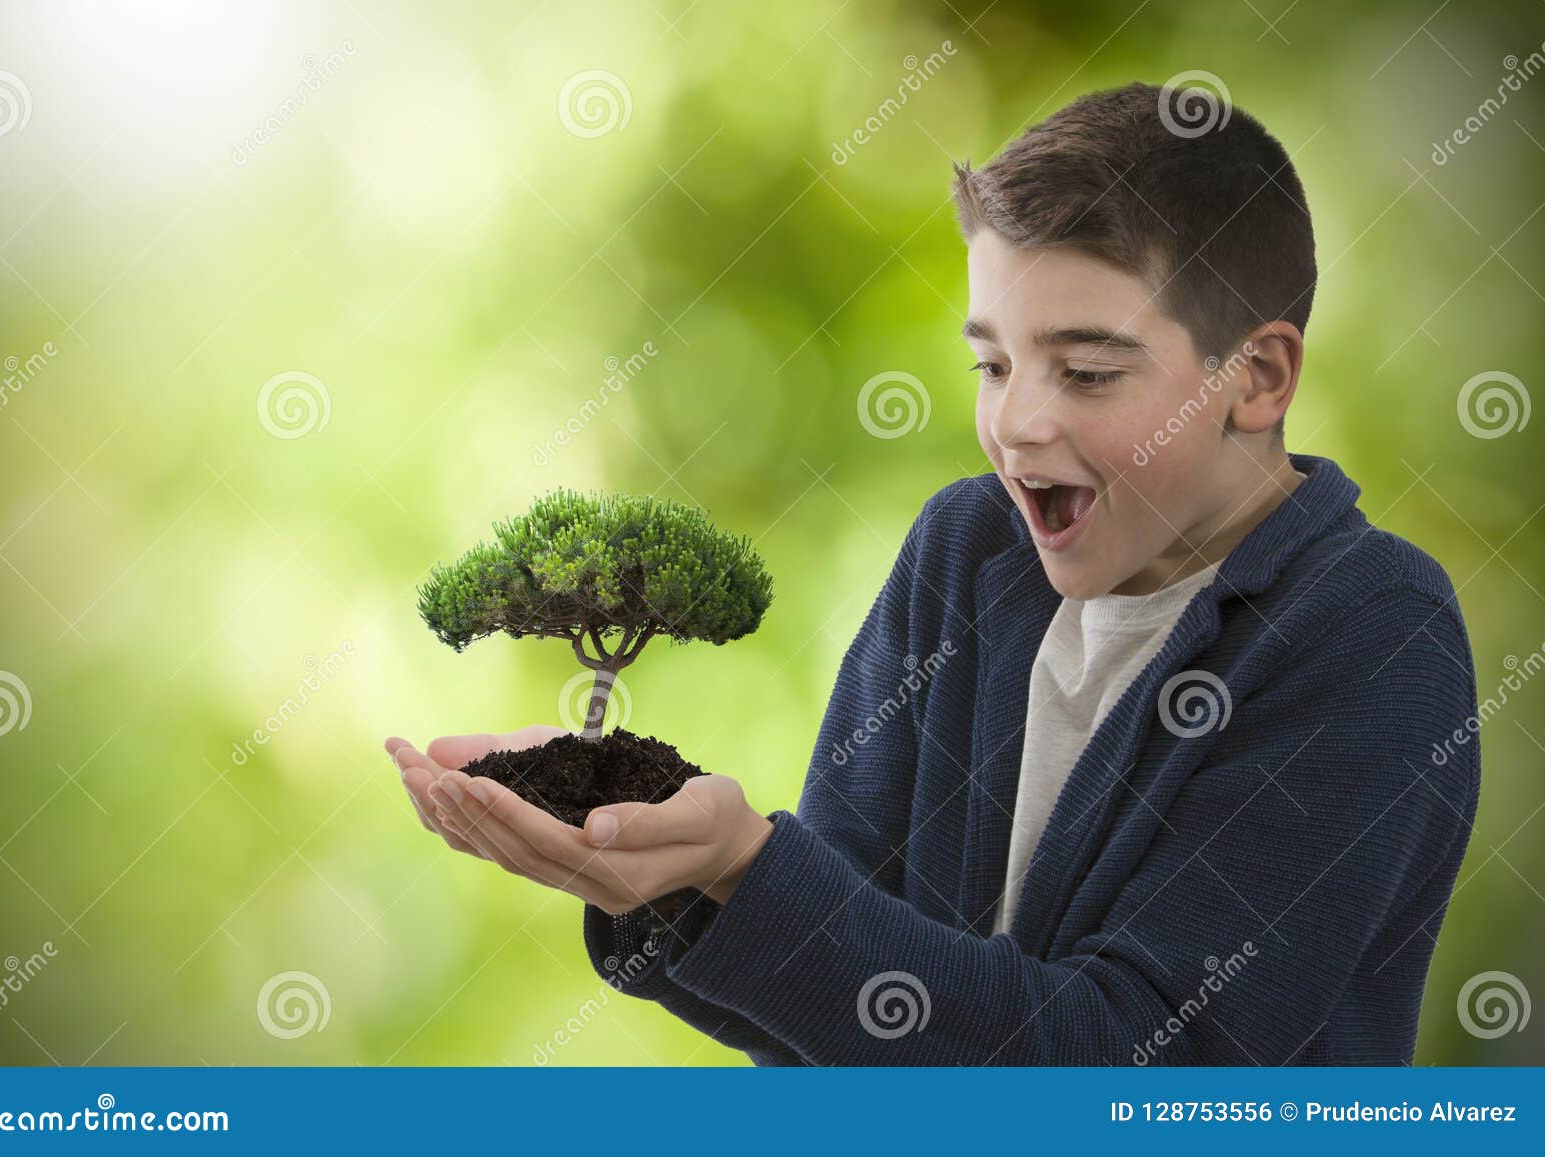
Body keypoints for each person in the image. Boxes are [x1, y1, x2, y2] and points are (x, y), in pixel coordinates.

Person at [386, 82, 1479, 1066]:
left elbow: (1129, 1067)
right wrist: (682, 869)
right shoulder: (968, 555)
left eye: (1086, 370)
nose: (1015, 424)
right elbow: (836, 997)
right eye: (992, 363)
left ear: (1257, 377)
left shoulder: (1373, 631)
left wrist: (747, 866)